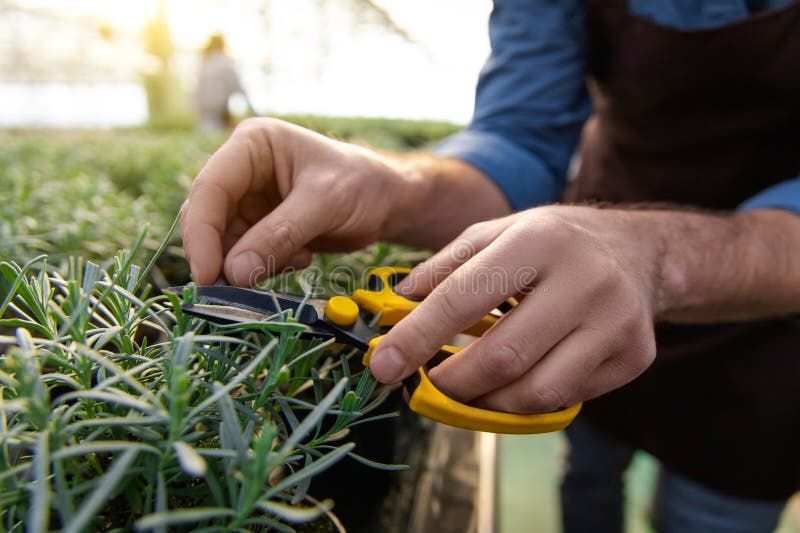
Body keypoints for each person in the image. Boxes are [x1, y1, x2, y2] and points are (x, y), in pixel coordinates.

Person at [180, 1, 800, 531]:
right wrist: (395, 184)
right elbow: (521, 140)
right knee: (587, 483)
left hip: (766, 363)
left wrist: (656, 257)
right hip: (577, 303)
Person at [194, 33, 252, 132]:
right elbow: (240, 88)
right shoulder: (226, 63)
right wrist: (256, 114)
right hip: (219, 112)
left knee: (208, 130)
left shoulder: (204, 64)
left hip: (204, 113)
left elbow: (196, 92)